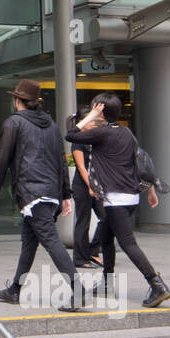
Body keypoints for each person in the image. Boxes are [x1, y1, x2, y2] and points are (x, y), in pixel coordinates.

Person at [0, 78, 79, 311]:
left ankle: (79, 291)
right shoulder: (51, 124)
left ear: (17, 100)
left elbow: (2, 158)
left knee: (52, 241)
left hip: (32, 192)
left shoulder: (14, 123)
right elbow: (61, 161)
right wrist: (65, 194)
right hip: (50, 191)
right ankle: (15, 289)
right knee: (29, 242)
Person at [66, 94, 170, 308]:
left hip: (116, 199)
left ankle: (157, 284)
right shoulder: (126, 133)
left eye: (97, 109)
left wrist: (91, 116)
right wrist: (150, 188)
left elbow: (71, 134)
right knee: (105, 236)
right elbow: (140, 160)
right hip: (130, 196)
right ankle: (106, 282)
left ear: (100, 110)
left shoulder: (101, 133)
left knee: (128, 243)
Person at [71, 107, 103, 269]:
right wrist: (90, 186)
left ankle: (92, 251)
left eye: (94, 121)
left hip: (97, 185)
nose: (93, 123)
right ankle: (79, 258)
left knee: (106, 217)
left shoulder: (96, 139)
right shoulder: (78, 140)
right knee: (83, 222)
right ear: (81, 123)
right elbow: (82, 167)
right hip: (82, 186)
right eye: (90, 120)